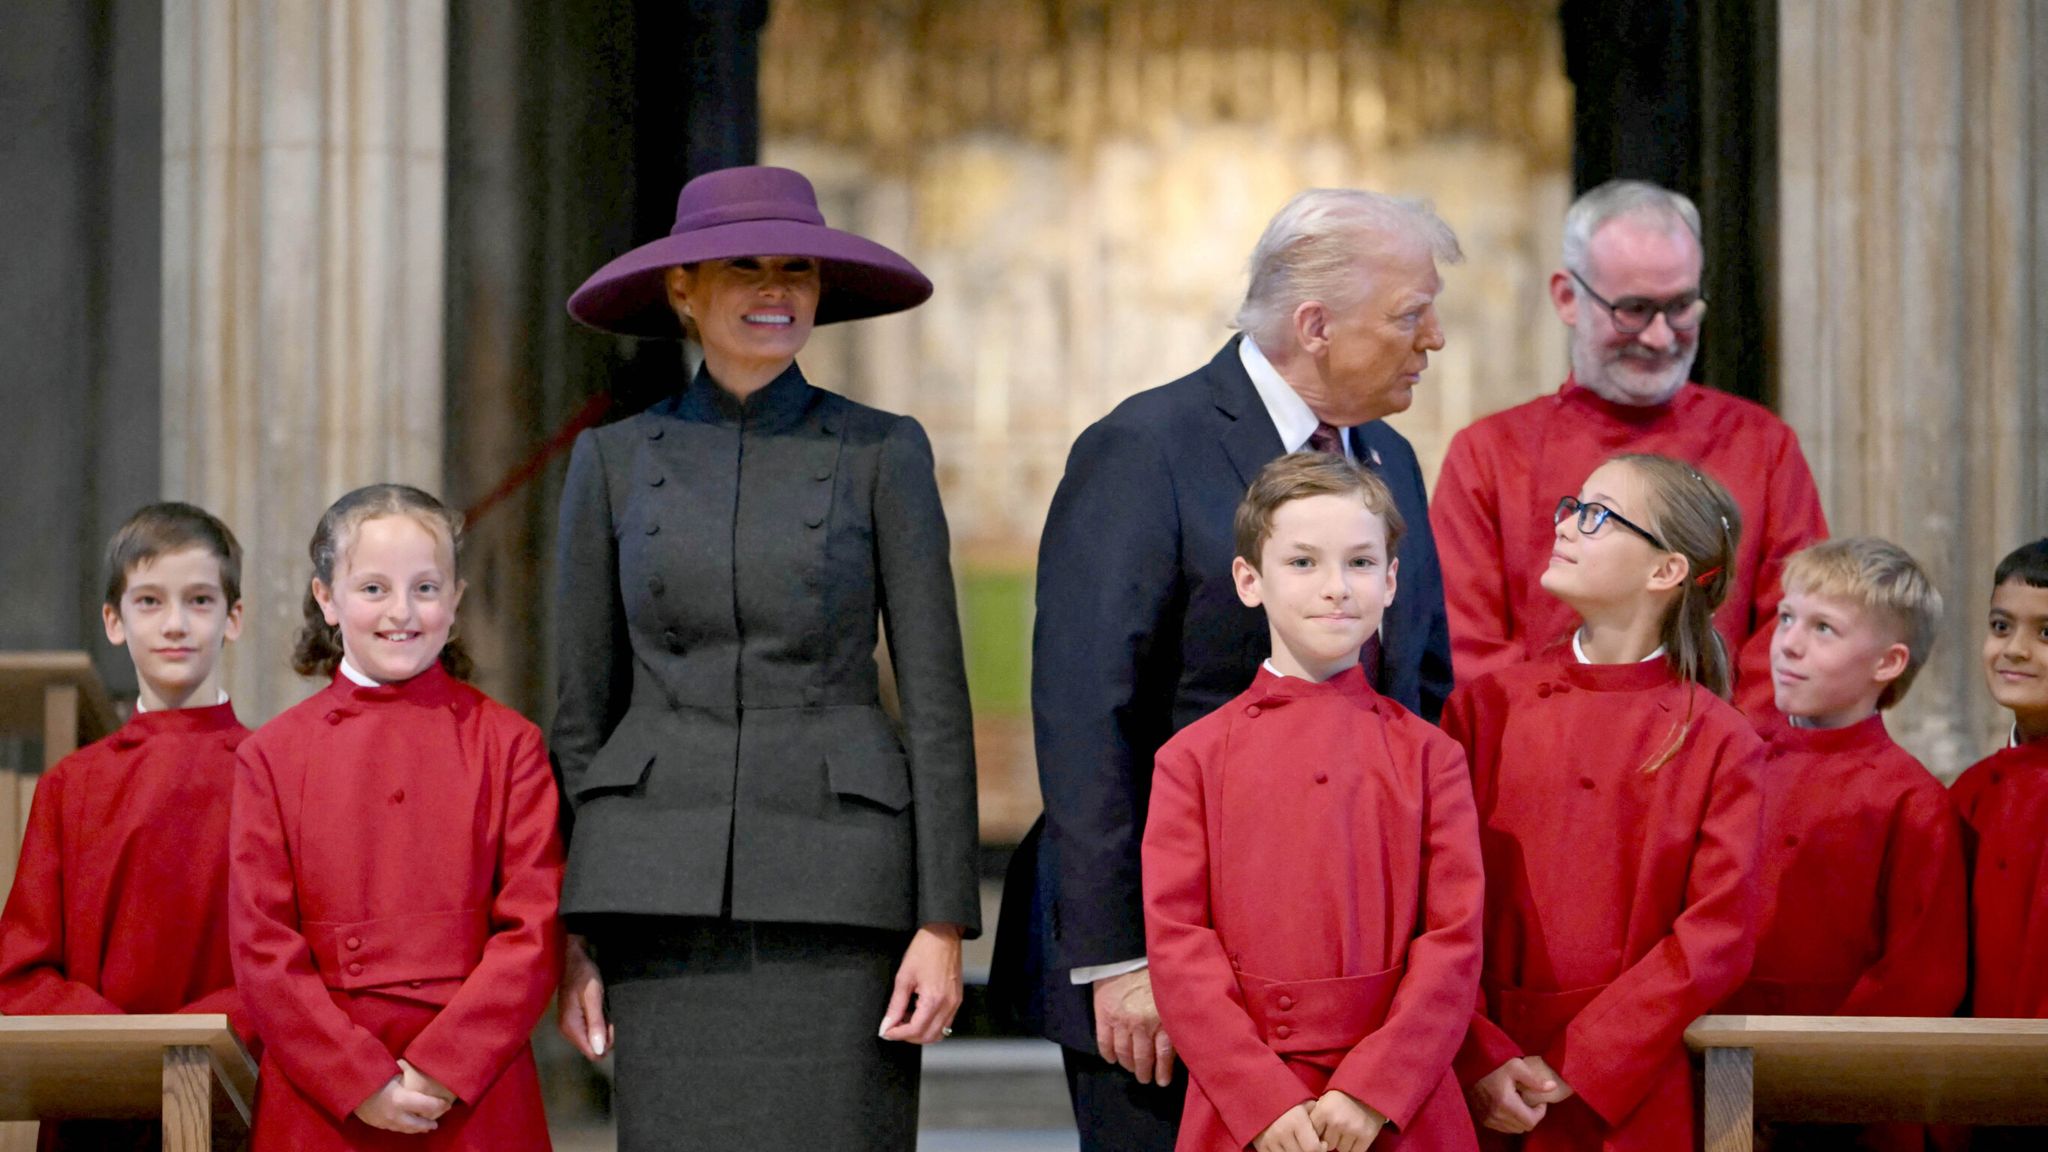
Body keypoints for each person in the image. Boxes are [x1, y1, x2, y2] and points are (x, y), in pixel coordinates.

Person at [991, 188, 1461, 1152]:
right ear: (1315, 326)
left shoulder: (1393, 462)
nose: (1436, 339)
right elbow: (1085, 711)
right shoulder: (1145, 447)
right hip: (1171, 973)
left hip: (1355, 977)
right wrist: (1121, 957)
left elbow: (1421, 689)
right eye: (1411, 314)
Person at [553, 165, 981, 1150]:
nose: (776, 289)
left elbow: (935, 702)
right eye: (744, 267)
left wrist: (942, 922)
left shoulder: (883, 452)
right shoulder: (613, 461)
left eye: (797, 269)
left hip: (844, 891)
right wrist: (576, 927)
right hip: (653, 892)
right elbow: (579, 713)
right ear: (682, 289)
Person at [1143, 452, 1482, 1152]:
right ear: (1249, 580)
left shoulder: (1431, 757)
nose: (1336, 588)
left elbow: (1453, 942)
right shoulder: (1192, 759)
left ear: (1391, 581)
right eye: (1303, 563)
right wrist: (1260, 1098)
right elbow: (1178, 948)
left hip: (1398, 1102)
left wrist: (1376, 1088)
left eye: (1361, 563)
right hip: (1252, 1108)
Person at [229, 485, 563, 1149]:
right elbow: (262, 946)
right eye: (374, 588)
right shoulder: (270, 756)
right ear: (327, 598)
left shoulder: (511, 744)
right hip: (327, 1093)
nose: (402, 611)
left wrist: (445, 1068)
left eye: (426, 588)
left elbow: (534, 928)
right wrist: (357, 1080)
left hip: (475, 1085)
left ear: (456, 600)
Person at [1448, 453, 1763, 1152]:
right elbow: (1436, 899)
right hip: (1480, 1082)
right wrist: (1480, 1050)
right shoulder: (1486, 708)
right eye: (1573, 506)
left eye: (1598, 516)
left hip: (1627, 1091)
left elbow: (1715, 937)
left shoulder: (1717, 739)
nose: (1565, 525)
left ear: (1666, 570)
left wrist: (1583, 1059)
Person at [1430, 179, 1827, 716]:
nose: (1660, 337)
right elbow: (1467, 652)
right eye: (1634, 309)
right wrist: (1588, 746)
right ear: (1567, 297)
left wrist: (1719, 750)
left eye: (1681, 306)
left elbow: (1794, 632)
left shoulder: (1763, 446)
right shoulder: (1490, 455)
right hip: (1541, 754)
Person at [0, 503, 253, 1151]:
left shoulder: (277, 774)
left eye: (200, 600)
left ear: (234, 618)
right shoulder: (71, 785)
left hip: (235, 1103)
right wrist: (121, 1047)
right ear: (114, 621)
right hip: (93, 1111)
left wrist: (189, 1040)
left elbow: (298, 962)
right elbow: (19, 971)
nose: (175, 623)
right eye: (149, 601)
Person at [1722, 538, 1965, 1152]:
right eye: (1786, 617)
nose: (1788, 644)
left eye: (1823, 628)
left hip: (1848, 1110)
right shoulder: (1735, 767)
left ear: (1888, 663)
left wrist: (1812, 1086)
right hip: (1720, 1083)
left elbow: (1919, 977)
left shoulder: (1911, 799)